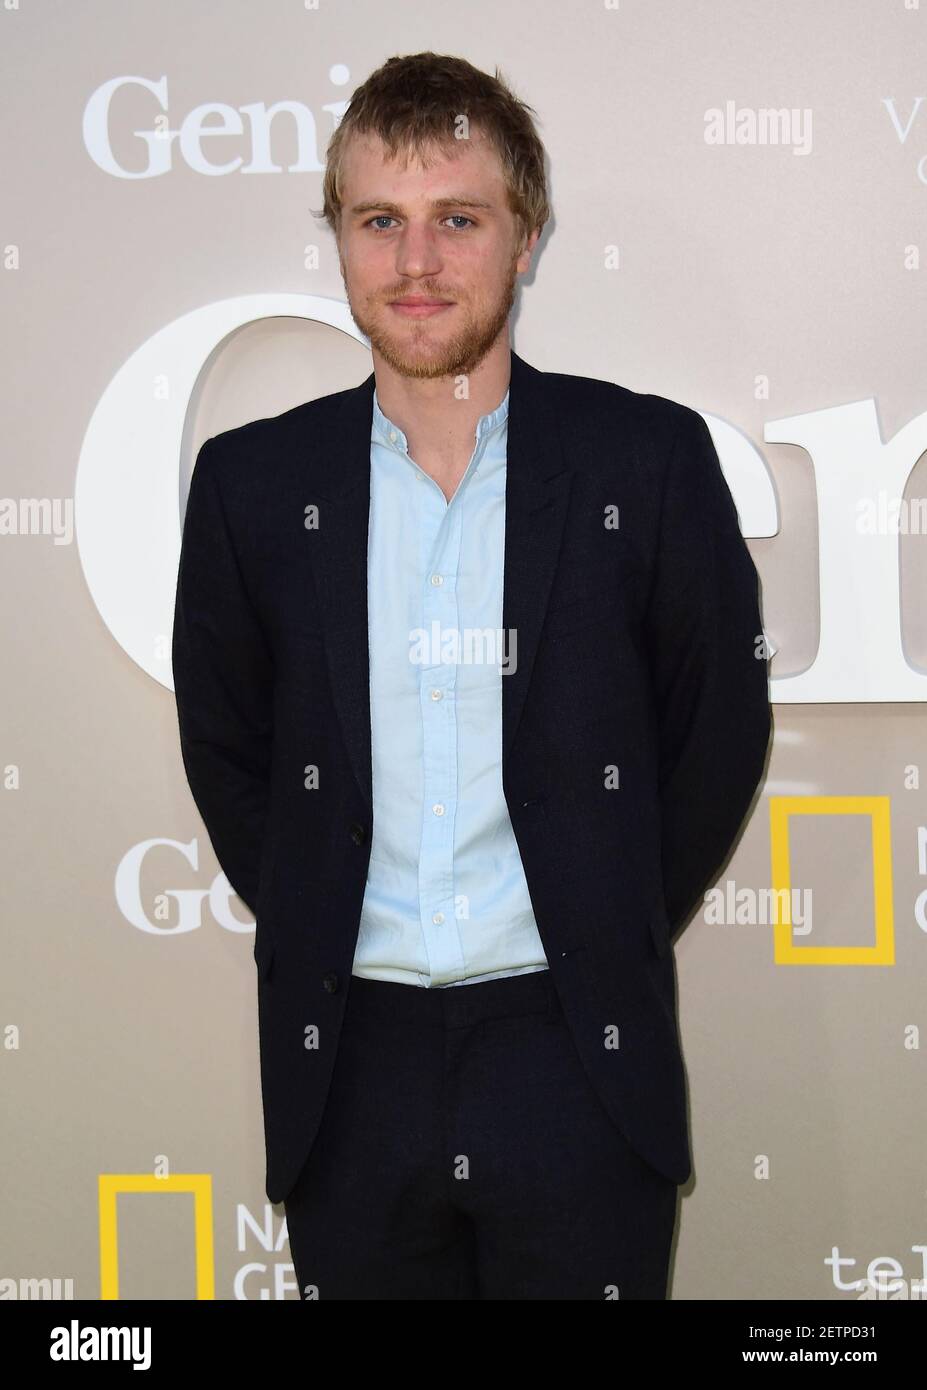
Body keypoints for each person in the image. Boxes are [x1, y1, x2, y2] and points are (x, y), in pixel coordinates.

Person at [171, 51, 772, 1300]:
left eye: (458, 219)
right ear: (338, 238)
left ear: (526, 236)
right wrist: (317, 907)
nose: (416, 262)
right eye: (378, 220)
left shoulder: (646, 462)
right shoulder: (252, 486)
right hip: (352, 1067)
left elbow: (714, 735)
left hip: (576, 1055)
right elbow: (229, 751)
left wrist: (603, 912)